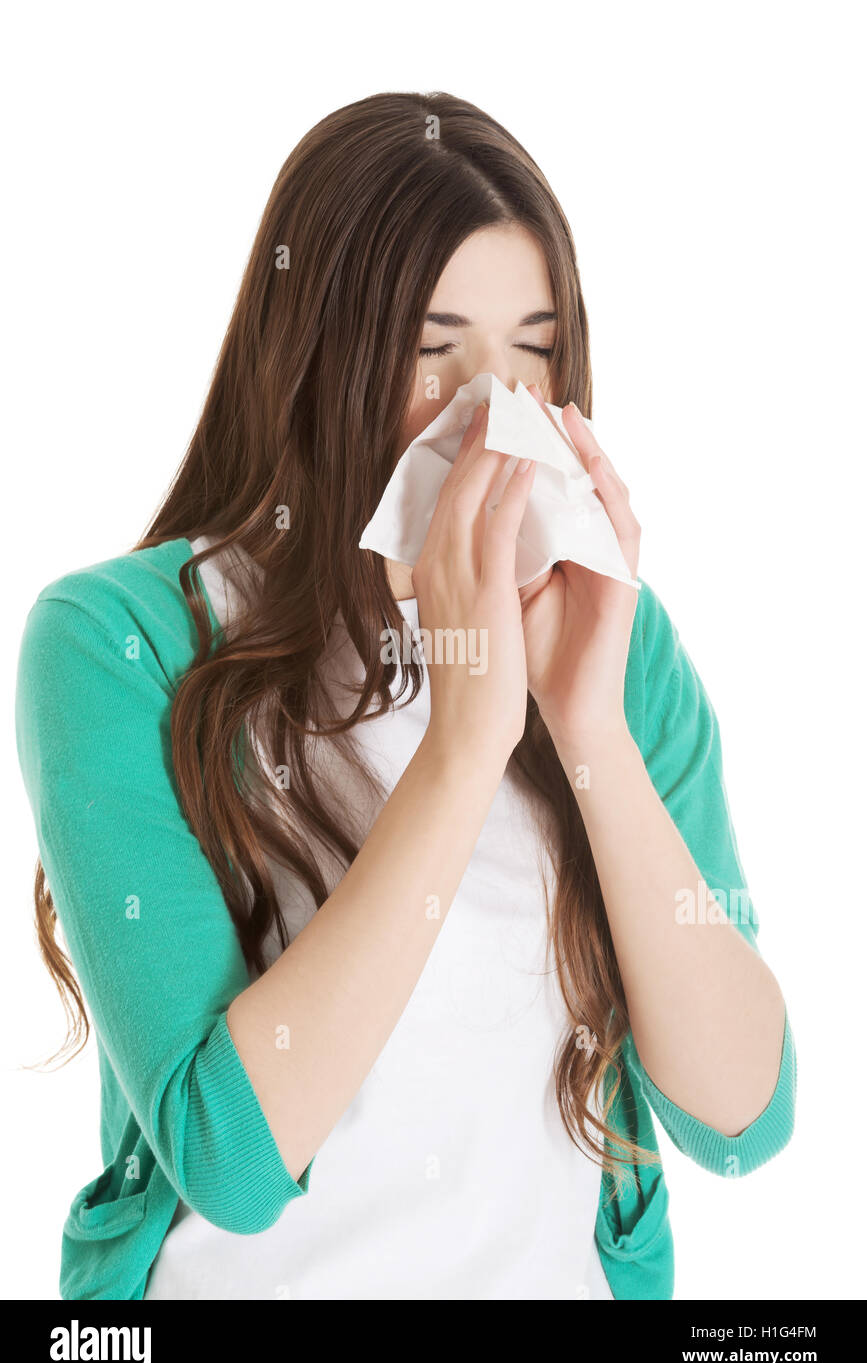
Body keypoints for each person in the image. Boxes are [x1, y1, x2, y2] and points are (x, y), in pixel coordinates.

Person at [14, 90, 796, 1301]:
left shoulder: (618, 649)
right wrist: (466, 739)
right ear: (311, 356)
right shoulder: (119, 644)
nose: (493, 413)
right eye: (434, 353)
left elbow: (743, 1120)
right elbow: (229, 1156)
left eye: (531, 352)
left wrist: (584, 724)